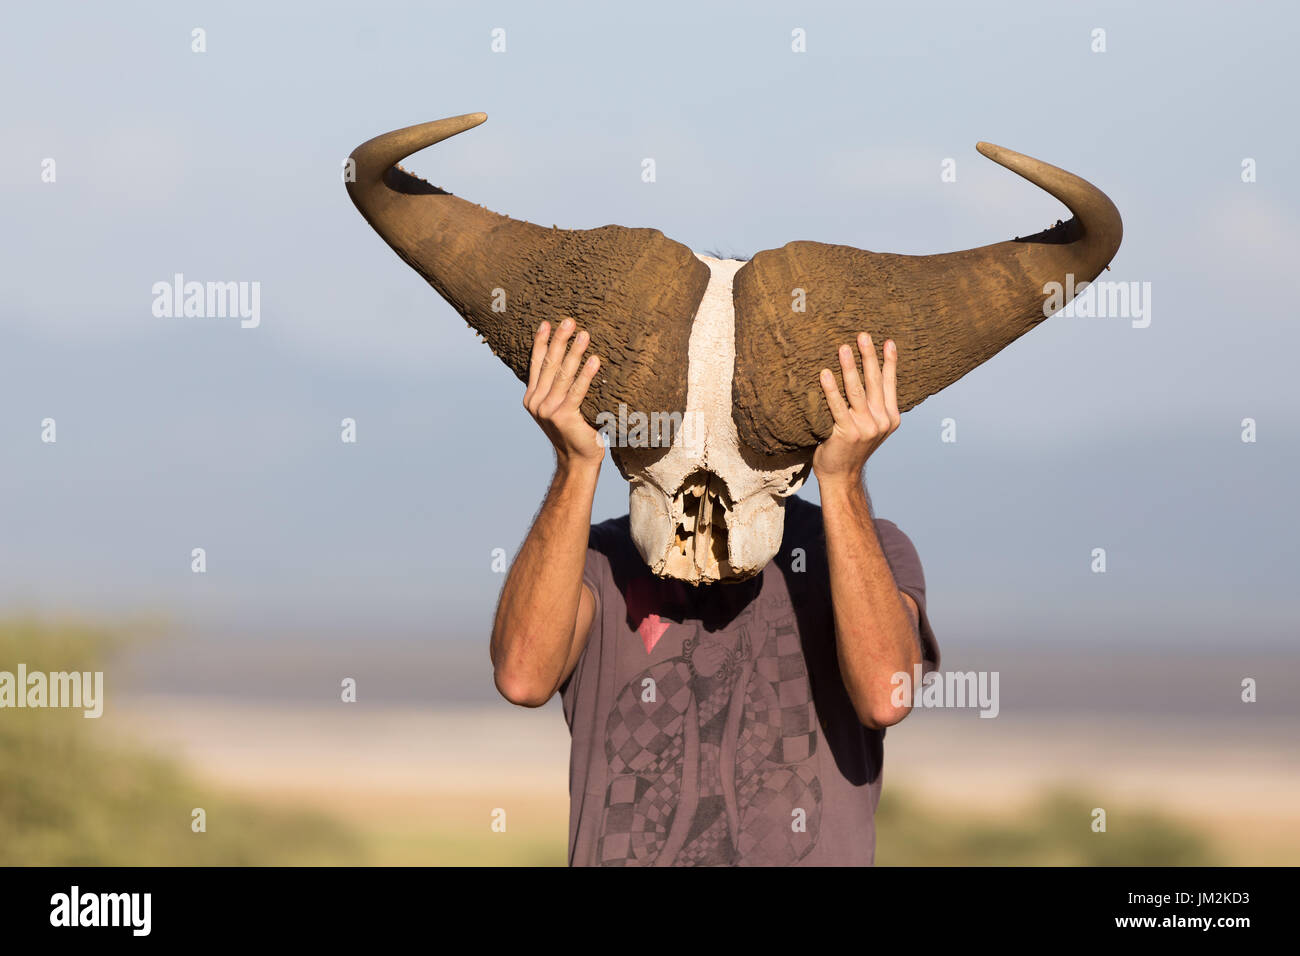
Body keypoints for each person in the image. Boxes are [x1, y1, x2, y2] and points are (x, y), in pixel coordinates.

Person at [490, 317, 939, 866]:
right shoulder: (601, 559)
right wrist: (575, 465)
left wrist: (842, 480)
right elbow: (522, 675)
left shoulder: (862, 551)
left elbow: (884, 695)